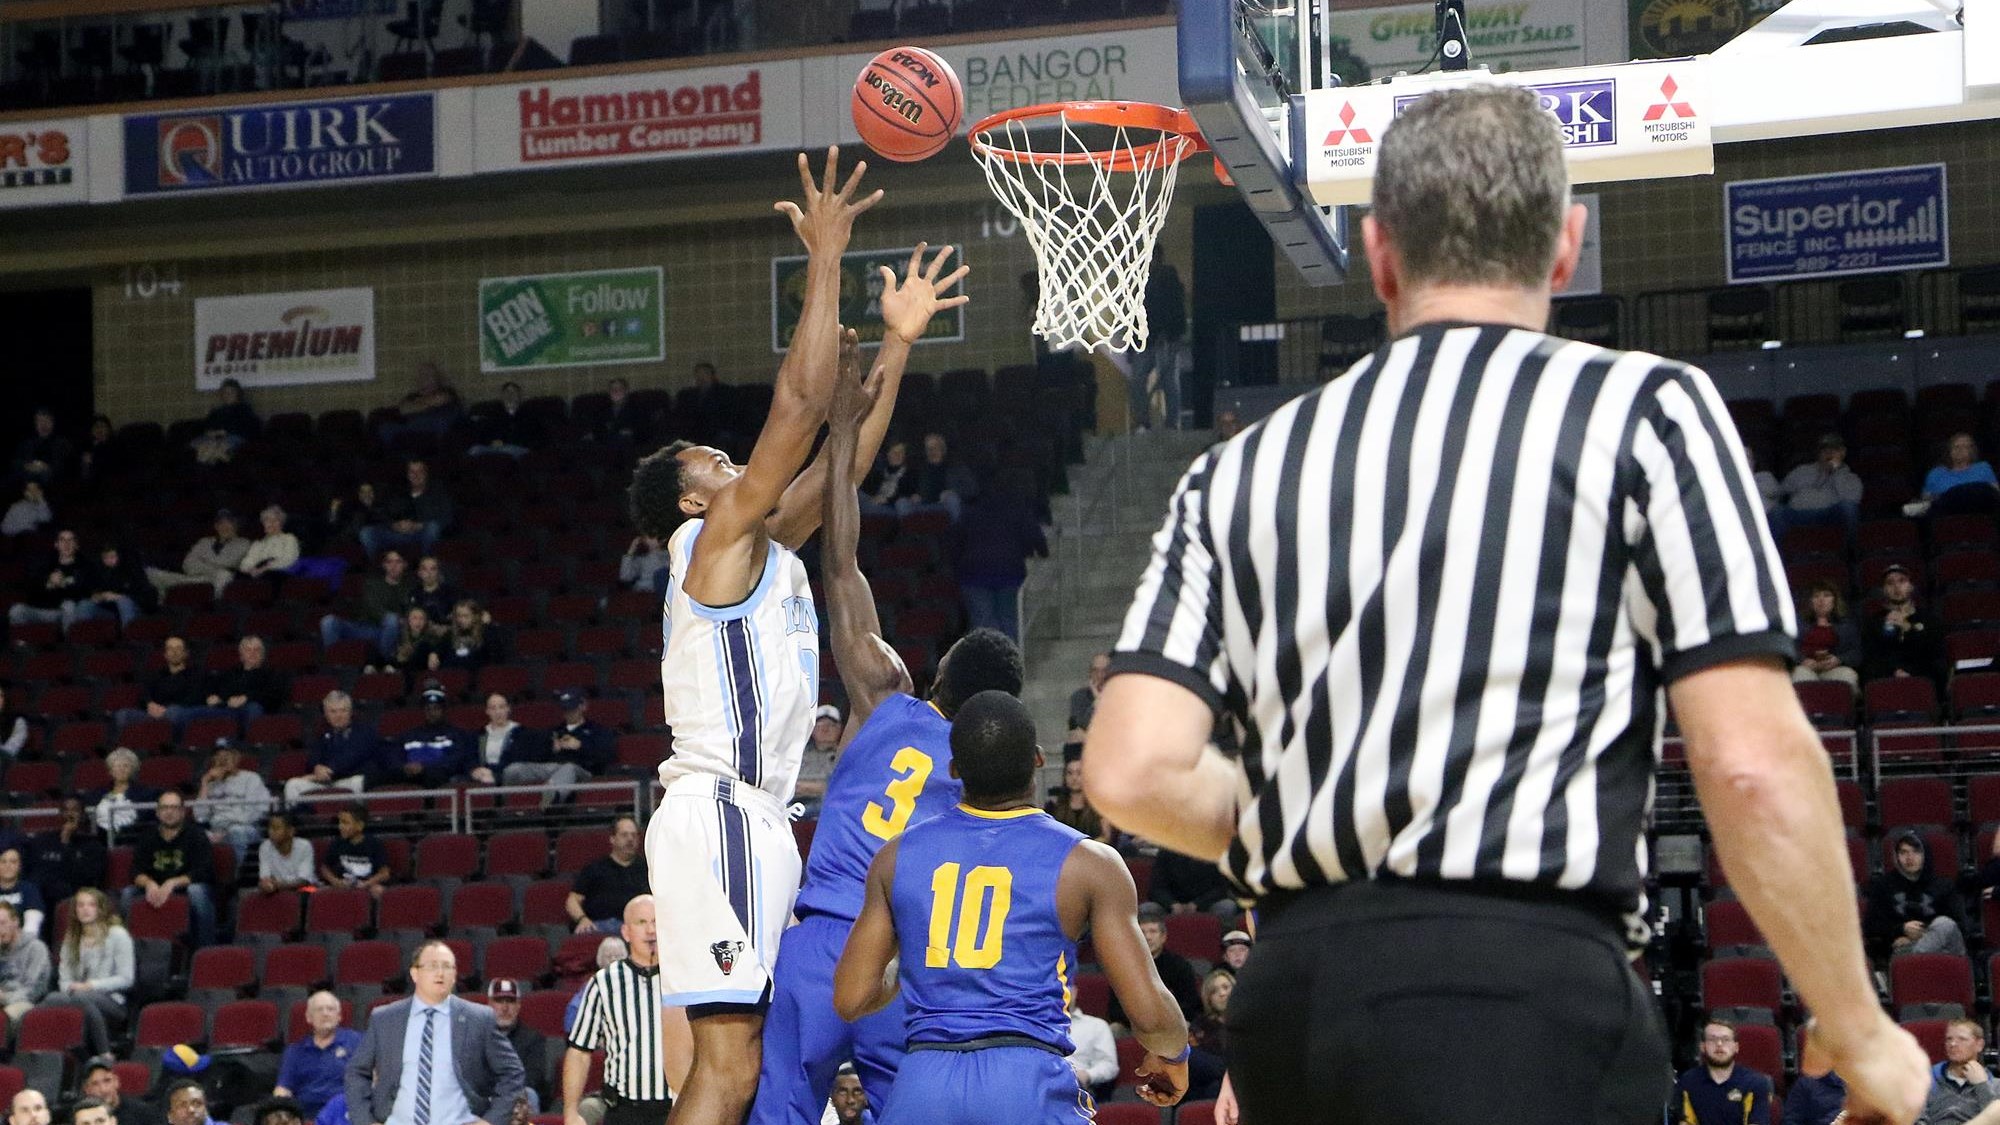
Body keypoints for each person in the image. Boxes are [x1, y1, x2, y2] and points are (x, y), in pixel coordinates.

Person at [1082, 84, 1927, 1125]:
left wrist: (1313, 817)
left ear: (1377, 253)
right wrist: (1858, 1028)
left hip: (1292, 1004)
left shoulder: (1238, 468)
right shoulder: (1644, 412)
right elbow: (1749, 763)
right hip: (1521, 989)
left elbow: (1127, 769)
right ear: (1565, 248)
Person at [629, 149, 931, 1125]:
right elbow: (798, 412)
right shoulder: (709, 541)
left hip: (758, 817)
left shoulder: (764, 550)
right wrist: (827, 256)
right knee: (727, 1067)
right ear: (691, 499)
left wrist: (897, 346)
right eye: (717, 462)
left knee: (747, 1065)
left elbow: (842, 461)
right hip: (717, 806)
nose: (735, 467)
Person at [750, 347, 1024, 1125]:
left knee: (780, 1110)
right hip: (904, 958)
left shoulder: (884, 691)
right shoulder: (985, 772)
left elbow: (840, 561)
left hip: (821, 941)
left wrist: (842, 436)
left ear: (942, 670)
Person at [832, 690, 1192, 1121]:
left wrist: (911, 965)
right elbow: (1150, 1016)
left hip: (922, 1084)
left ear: (953, 769)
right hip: (1025, 1080)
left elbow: (851, 997)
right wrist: (1174, 1056)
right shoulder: (1090, 863)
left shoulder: (894, 857)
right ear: (1038, 759)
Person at [343, 940, 525, 1125]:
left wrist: (491, 1121)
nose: (440, 973)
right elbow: (357, 1072)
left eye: (447, 967)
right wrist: (365, 1121)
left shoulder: (479, 1018)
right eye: (432, 966)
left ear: (454, 975)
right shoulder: (384, 1018)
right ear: (415, 974)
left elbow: (512, 1072)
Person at [564, 897, 689, 1125]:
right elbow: (579, 1052)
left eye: (656, 922)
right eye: (642, 922)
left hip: (679, 1109)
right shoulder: (604, 983)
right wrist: (570, 1111)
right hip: (624, 1111)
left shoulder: (686, 979)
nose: (651, 930)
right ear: (626, 932)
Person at [39, 887, 134, 1057]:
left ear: (101, 909)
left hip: (112, 1001)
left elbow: (127, 979)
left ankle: (105, 1053)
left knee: (81, 997)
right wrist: (72, 988)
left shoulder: (118, 935)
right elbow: (64, 979)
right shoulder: (71, 938)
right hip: (75, 995)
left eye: (91, 905)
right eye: (80, 905)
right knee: (52, 998)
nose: (85, 909)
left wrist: (91, 985)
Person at [951, 473, 1047, 640]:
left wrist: (957, 566)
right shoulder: (1017, 508)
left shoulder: (970, 510)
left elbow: (955, 541)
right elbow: (1032, 533)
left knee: (983, 624)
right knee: (1009, 621)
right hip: (1009, 572)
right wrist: (1042, 551)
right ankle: (1009, 655)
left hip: (974, 574)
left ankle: (988, 656)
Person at [123, 790, 218, 947]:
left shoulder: (197, 835)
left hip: (186, 887)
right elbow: (135, 871)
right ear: (157, 812)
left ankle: (205, 949)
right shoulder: (147, 836)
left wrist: (173, 882)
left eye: (174, 807)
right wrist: (149, 884)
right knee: (128, 893)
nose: (169, 812)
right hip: (155, 887)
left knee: (197, 891)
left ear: (182, 811)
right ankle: (129, 946)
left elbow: (205, 871)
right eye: (165, 807)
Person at [1864, 830, 1967, 958]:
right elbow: (1870, 927)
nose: (1909, 858)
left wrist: (1923, 936)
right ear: (1896, 856)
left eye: (1916, 852)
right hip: (1899, 947)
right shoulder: (1883, 886)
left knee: (1944, 923)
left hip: (1944, 947)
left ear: (1925, 855)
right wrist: (1901, 929)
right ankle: (1912, 956)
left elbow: (1960, 926)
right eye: (1903, 852)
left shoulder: (1944, 886)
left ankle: (1911, 955)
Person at [501, 689, 608, 802]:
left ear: (583, 706)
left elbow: (606, 756)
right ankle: (506, 804)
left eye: (572, 708)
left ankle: (549, 802)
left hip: (582, 771)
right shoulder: (555, 730)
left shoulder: (597, 730)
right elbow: (536, 758)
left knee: (569, 767)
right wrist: (551, 748)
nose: (569, 712)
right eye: (565, 709)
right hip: (554, 768)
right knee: (514, 769)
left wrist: (580, 746)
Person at [276, 991, 365, 1120]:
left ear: (339, 1016)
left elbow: (373, 1079)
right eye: (319, 1009)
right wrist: (280, 1112)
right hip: (306, 1115)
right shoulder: (295, 1051)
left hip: (345, 1114)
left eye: (330, 1009)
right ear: (309, 1017)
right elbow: (283, 1088)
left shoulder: (358, 1042)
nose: (325, 1013)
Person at [1108, 903, 1201, 1025]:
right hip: (1134, 1024)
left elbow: (1190, 1004)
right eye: (1142, 932)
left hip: (1171, 1024)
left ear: (1163, 937)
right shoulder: (1124, 967)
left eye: (1153, 931)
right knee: (1115, 1028)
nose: (1148, 937)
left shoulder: (1179, 966)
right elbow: (1115, 1009)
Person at [1671, 1019, 1777, 1125]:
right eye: (1712, 1039)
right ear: (1702, 1047)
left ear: (1736, 1047)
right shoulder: (1688, 1081)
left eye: (1726, 1040)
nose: (1719, 1044)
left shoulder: (1756, 1083)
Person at [1128, 250, 1189, 432]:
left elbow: (1172, 308)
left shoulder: (1165, 277)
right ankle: (1154, 421)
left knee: (1166, 382)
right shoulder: (1140, 279)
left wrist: (1170, 334)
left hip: (1162, 338)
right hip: (1150, 339)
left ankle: (1165, 422)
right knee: (1146, 381)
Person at [284, 692, 382, 804]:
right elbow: (312, 759)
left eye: (343, 710)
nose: (339, 715)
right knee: (293, 784)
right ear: (326, 715)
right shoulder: (322, 733)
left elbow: (353, 757)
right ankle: (298, 815)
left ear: (350, 712)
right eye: (333, 711)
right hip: (325, 782)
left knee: (357, 782)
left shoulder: (364, 731)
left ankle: (355, 814)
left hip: (349, 779)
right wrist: (317, 768)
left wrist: (329, 771)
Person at [1864, 565, 1947, 687]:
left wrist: (1908, 628)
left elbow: (1934, 653)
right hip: (1887, 680)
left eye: (1902, 581)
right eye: (1890, 583)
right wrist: (1894, 671)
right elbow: (1872, 657)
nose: (1896, 586)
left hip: (1922, 678)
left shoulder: (1929, 619)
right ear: (1884, 590)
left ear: (1911, 586)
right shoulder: (1874, 622)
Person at [320, 550, 410, 657]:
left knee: (392, 620)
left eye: (398, 562)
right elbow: (373, 609)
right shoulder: (372, 584)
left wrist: (400, 620)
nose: (393, 566)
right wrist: (398, 619)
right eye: (389, 562)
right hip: (364, 627)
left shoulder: (409, 587)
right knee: (328, 621)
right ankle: (334, 660)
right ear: (384, 565)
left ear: (405, 565)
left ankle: (383, 662)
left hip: (392, 630)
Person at [566, 817, 648, 935]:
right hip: (600, 927)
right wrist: (582, 919)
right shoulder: (594, 868)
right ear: (612, 839)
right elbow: (572, 900)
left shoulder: (647, 869)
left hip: (638, 928)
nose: (630, 839)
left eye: (634, 835)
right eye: (624, 835)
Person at [193, 740, 273, 862]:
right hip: (216, 830)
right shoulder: (211, 785)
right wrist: (204, 783)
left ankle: (233, 873)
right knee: (194, 836)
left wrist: (226, 832)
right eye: (218, 756)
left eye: (227, 755)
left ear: (237, 758)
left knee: (236, 832)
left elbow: (256, 812)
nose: (223, 760)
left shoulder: (251, 778)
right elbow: (200, 817)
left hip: (246, 828)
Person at [361, 460, 454, 561]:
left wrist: (419, 525)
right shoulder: (396, 491)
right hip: (396, 533)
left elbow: (447, 518)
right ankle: (375, 566)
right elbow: (383, 514)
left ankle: (425, 564)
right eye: (412, 472)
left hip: (422, 533)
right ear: (407, 474)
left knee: (433, 528)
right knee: (367, 532)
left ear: (426, 473)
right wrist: (394, 525)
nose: (416, 475)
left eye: (420, 471)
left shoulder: (438, 493)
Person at [1776, 434, 1864, 537]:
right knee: (1777, 512)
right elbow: (1779, 491)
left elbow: (1851, 503)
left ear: (1842, 453)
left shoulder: (1851, 478)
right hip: (1798, 514)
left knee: (1848, 508)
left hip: (1827, 516)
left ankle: (1850, 547)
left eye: (1834, 450)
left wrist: (1836, 472)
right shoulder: (1803, 470)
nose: (1829, 453)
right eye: (1825, 450)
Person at [386, 684, 473, 788]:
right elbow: (395, 756)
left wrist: (424, 768)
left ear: (443, 710)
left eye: (436, 709)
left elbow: (455, 761)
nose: (432, 713)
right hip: (409, 775)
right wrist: (405, 767)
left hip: (437, 777)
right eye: (428, 709)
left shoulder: (455, 734)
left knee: (434, 776)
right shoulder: (410, 735)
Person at [146, 511, 250, 596]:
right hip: (193, 579)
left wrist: (202, 561)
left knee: (225, 574)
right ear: (216, 526)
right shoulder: (204, 542)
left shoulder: (244, 543)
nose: (224, 527)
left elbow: (229, 563)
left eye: (229, 523)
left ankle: (216, 608)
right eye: (221, 523)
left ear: (236, 526)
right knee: (150, 573)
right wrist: (212, 566)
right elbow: (187, 565)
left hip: (217, 580)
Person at [116, 636, 205, 732]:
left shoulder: (195, 674)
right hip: (154, 714)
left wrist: (165, 709)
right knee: (122, 714)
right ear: (165, 654)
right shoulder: (157, 675)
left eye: (178, 648)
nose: (174, 652)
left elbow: (194, 698)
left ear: (186, 653)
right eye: (170, 649)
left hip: (178, 713)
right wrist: (149, 704)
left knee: (173, 712)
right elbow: (144, 695)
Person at [30, 796, 106, 907]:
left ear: (83, 815)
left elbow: (87, 877)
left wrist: (66, 841)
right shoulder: (44, 840)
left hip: (75, 894)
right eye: (66, 810)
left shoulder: (93, 844)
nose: (70, 814)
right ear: (60, 814)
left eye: (75, 810)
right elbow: (39, 872)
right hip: (45, 895)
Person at [1919, 1020, 1999, 1125]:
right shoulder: (1927, 1080)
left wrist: (1982, 1085)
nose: (1953, 1044)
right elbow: (1916, 1119)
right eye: (1949, 1039)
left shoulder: (1996, 1085)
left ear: (1979, 1045)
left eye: (1962, 1039)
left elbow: (1996, 1120)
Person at [8, 528, 88, 631]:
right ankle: (22, 640)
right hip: (40, 610)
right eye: (62, 540)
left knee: (69, 605)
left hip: (62, 612)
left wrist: (62, 584)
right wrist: (49, 582)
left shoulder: (84, 567)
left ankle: (70, 639)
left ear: (76, 545)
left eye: (70, 540)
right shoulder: (44, 564)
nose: (66, 544)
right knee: (16, 610)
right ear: (56, 544)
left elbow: (83, 593)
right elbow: (31, 589)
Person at [486, 981, 548, 1113]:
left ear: (518, 1005)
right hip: (485, 1094)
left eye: (510, 1001)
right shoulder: (478, 1036)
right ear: (489, 1005)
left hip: (516, 1095)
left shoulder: (532, 1038)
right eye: (499, 1001)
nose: (505, 1008)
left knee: (529, 1094)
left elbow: (533, 1078)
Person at [204, 635, 287, 728]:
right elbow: (216, 687)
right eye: (248, 650)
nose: (253, 653)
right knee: (194, 712)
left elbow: (273, 695)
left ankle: (249, 737)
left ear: (263, 654)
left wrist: (246, 698)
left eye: (257, 650)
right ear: (241, 655)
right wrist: (213, 696)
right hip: (227, 708)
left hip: (252, 709)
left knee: (253, 708)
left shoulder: (272, 673)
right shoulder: (231, 672)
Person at [1793, 581, 1863, 693]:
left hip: (1834, 668)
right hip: (1806, 667)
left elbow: (1856, 653)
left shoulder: (1847, 625)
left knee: (1848, 677)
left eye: (1826, 595)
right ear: (1810, 601)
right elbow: (1789, 647)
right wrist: (1802, 660)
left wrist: (1839, 660)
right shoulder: (1798, 623)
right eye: (1816, 596)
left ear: (1834, 600)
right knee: (1798, 675)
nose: (1821, 600)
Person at [898, 432, 978, 522]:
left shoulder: (956, 467)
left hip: (944, 505)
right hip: (922, 505)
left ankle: (954, 528)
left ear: (943, 449)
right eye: (928, 448)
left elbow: (972, 489)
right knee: (902, 502)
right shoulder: (919, 469)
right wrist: (912, 496)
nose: (932, 451)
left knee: (952, 499)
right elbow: (906, 488)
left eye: (935, 447)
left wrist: (952, 492)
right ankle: (910, 528)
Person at [378, 363, 465, 445]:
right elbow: (403, 410)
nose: (423, 380)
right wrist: (424, 403)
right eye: (421, 376)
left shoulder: (447, 392)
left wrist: (420, 404)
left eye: (428, 376)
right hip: (410, 431)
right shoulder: (412, 397)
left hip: (435, 432)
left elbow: (439, 400)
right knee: (385, 428)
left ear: (437, 379)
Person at [319, 803, 392, 900]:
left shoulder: (374, 844)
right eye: (339, 822)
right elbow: (324, 868)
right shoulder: (337, 843)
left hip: (367, 885)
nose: (340, 826)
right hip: (342, 885)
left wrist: (366, 884)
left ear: (360, 826)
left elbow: (384, 873)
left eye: (345, 823)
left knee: (378, 890)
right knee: (320, 893)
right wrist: (335, 881)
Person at [1921, 432, 1999, 516]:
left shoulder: (1983, 468)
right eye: (1956, 447)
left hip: (1981, 515)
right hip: (1946, 517)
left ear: (1972, 451)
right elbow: (1926, 502)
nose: (1959, 450)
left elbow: (1996, 493)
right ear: (1949, 451)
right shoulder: (1935, 474)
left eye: (1964, 447)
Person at [468, 694, 537, 787]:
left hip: (507, 775)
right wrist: (475, 770)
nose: (498, 712)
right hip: (483, 774)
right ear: (487, 711)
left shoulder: (520, 732)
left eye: (501, 707)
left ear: (508, 709)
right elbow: (471, 756)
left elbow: (515, 760)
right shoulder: (480, 733)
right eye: (493, 708)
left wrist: (490, 771)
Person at [1150, 848, 1240, 919]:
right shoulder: (1166, 851)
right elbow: (1157, 887)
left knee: (1227, 906)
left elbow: (1221, 887)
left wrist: (1197, 904)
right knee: (1149, 908)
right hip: (1171, 905)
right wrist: (1171, 904)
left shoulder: (1213, 851)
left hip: (1206, 904)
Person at [79, 543, 154, 628]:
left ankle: (128, 634)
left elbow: (145, 595)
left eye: (112, 557)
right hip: (109, 611)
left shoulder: (131, 569)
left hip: (134, 608)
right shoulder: (99, 570)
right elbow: (91, 590)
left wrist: (118, 597)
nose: (109, 560)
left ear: (119, 556)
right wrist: (99, 595)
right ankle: (80, 634)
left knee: (124, 602)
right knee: (84, 604)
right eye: (105, 558)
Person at [1186, 968, 1233, 1101]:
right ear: (1209, 998)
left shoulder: (1248, 1022)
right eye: (1214, 991)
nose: (1222, 993)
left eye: (1226, 987)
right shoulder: (1200, 1025)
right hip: (1207, 1085)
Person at [0, 902, 50, 1024]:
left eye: (2, 923)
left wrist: (5, 997)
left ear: (15, 922)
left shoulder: (36, 948)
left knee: (5, 1017)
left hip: (27, 1003)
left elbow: (34, 990)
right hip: (3, 999)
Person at [1064, 989, 1118, 1103]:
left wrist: (1088, 1075)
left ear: (1075, 991)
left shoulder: (1096, 1025)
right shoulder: (1035, 1025)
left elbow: (1109, 1065)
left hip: (1077, 1088)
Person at [90, 748, 157, 834]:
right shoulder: (98, 792)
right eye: (117, 766)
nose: (121, 769)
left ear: (132, 770)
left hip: (131, 835)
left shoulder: (145, 793)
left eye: (126, 766)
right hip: (101, 836)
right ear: (110, 771)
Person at [193, 377, 261, 462]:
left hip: (233, 438)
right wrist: (211, 432)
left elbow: (248, 428)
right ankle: (217, 459)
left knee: (219, 447)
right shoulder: (216, 412)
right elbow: (207, 427)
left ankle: (218, 458)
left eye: (231, 392)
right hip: (213, 439)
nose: (228, 395)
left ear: (238, 394)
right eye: (225, 392)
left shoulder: (244, 409)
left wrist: (224, 432)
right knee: (204, 447)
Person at [1044, 757, 1110, 842]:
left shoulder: (1099, 807)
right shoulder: (1054, 807)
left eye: (1079, 773)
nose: (1074, 778)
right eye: (1070, 773)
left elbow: (1105, 836)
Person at [83, 1059, 166, 1125]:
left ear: (116, 1082)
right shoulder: (82, 1116)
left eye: (107, 1081)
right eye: (95, 1084)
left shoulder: (144, 1113)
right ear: (87, 1089)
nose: (103, 1089)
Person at [470, 384, 542, 459]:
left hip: (517, 448)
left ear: (519, 396)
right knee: (475, 449)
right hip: (494, 448)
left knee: (508, 450)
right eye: (506, 392)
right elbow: (484, 433)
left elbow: (533, 437)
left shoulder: (528, 414)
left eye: (513, 393)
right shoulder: (495, 414)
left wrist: (504, 442)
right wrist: (491, 441)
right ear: (502, 397)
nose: (510, 396)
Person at [793, 706, 843, 810]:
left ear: (839, 729)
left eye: (831, 725)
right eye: (820, 725)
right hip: (794, 806)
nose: (825, 729)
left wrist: (805, 787)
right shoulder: (798, 754)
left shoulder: (844, 756)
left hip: (827, 808)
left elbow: (843, 787)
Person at [259, 810, 317, 894]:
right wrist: (266, 885)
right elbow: (265, 878)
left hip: (304, 891)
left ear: (291, 831)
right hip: (278, 892)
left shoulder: (304, 846)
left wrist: (278, 885)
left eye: (276, 828)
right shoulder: (265, 847)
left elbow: (304, 881)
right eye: (270, 828)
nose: (271, 832)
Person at [11, 409, 71, 487]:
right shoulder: (27, 443)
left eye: (46, 421)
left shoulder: (62, 444)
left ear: (52, 423)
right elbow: (17, 462)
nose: (43, 425)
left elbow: (65, 466)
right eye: (40, 421)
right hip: (27, 483)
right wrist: (27, 466)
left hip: (54, 484)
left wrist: (46, 468)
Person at [241, 507, 301, 582]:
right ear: (263, 524)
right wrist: (250, 569)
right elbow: (246, 563)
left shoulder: (289, 538)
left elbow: (289, 559)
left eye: (276, 520)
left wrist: (265, 568)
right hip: (258, 576)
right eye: (267, 520)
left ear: (281, 523)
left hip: (281, 575)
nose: (272, 523)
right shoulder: (257, 544)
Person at [0, 850, 45, 936]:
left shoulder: (30, 890)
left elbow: (32, 928)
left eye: (13, 862)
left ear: (19, 866)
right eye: (3, 861)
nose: (8, 866)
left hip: (22, 941)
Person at [1067, 654, 1110, 742]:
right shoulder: (1078, 697)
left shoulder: (1121, 696)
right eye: (1095, 671)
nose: (1100, 676)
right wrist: (1096, 703)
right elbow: (1075, 734)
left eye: (1104, 671)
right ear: (1090, 673)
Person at [408, 558, 457, 625]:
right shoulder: (413, 594)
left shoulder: (450, 592)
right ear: (419, 573)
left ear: (438, 572)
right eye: (424, 569)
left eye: (433, 569)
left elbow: (456, 616)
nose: (429, 573)